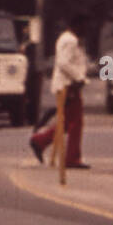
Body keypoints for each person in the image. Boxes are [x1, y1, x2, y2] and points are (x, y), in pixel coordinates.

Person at [30, 14, 88, 168]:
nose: (85, 30)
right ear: (77, 25)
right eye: (84, 26)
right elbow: (63, 63)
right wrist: (79, 77)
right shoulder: (71, 40)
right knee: (76, 123)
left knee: (68, 122)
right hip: (68, 85)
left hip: (66, 85)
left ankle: (40, 141)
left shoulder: (66, 38)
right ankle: (72, 158)